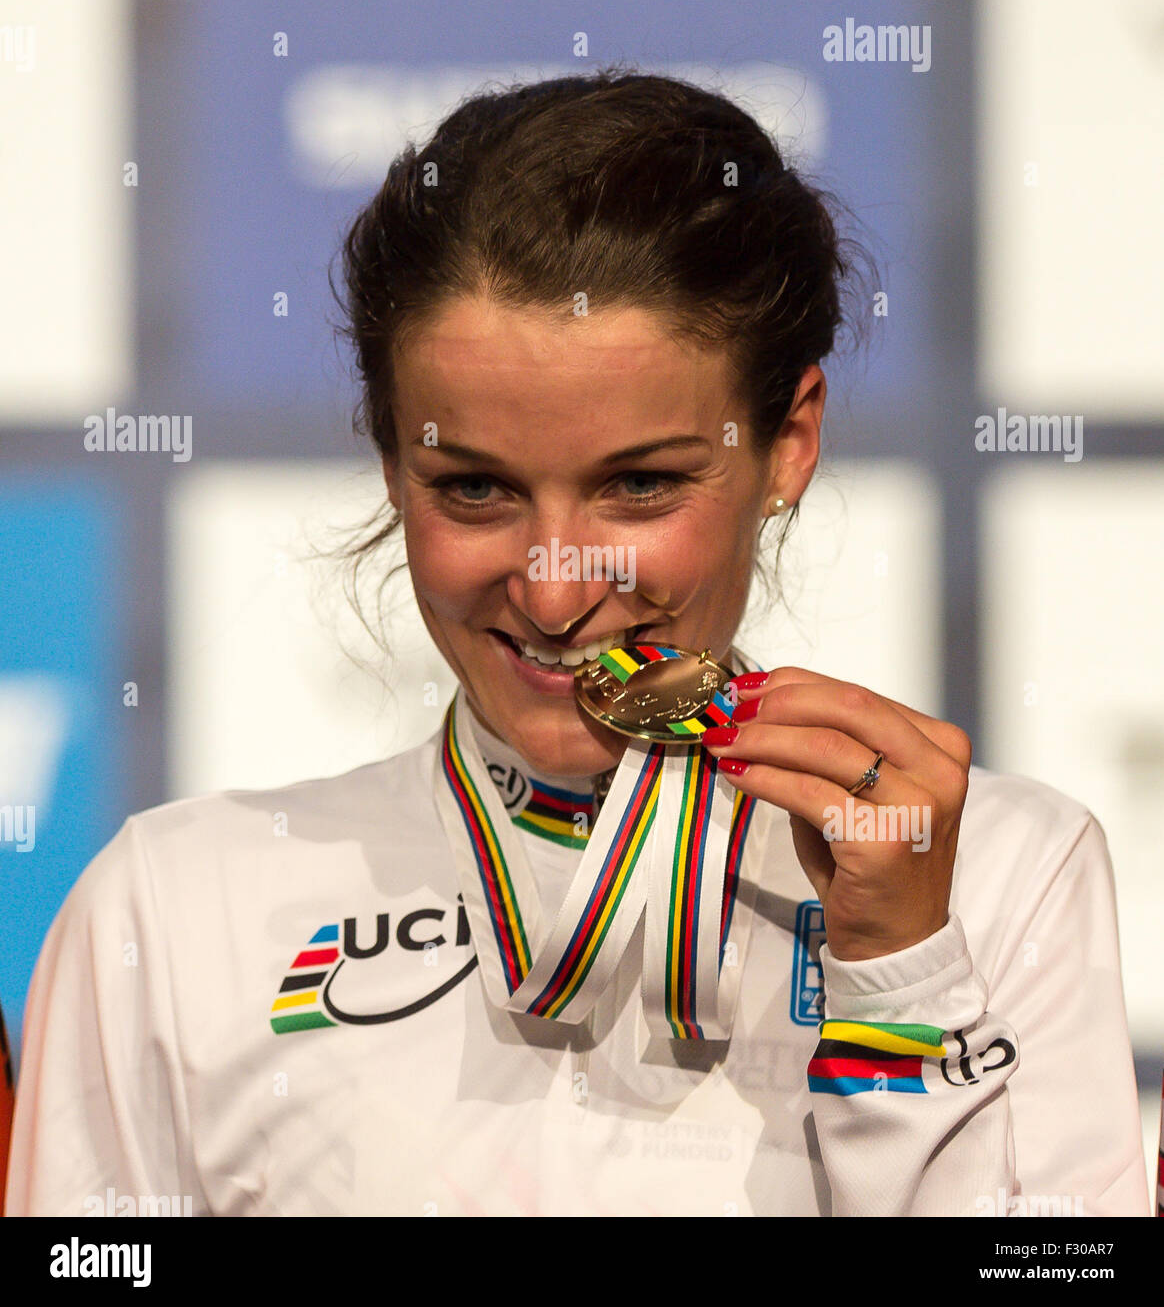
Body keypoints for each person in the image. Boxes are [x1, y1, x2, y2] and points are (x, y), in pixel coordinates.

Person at [5, 70, 1148, 1217]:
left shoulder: (1005, 878)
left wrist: (901, 979)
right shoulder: (167, 912)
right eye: (475, 489)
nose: (555, 591)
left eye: (640, 485)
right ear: (394, 460)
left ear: (789, 440)